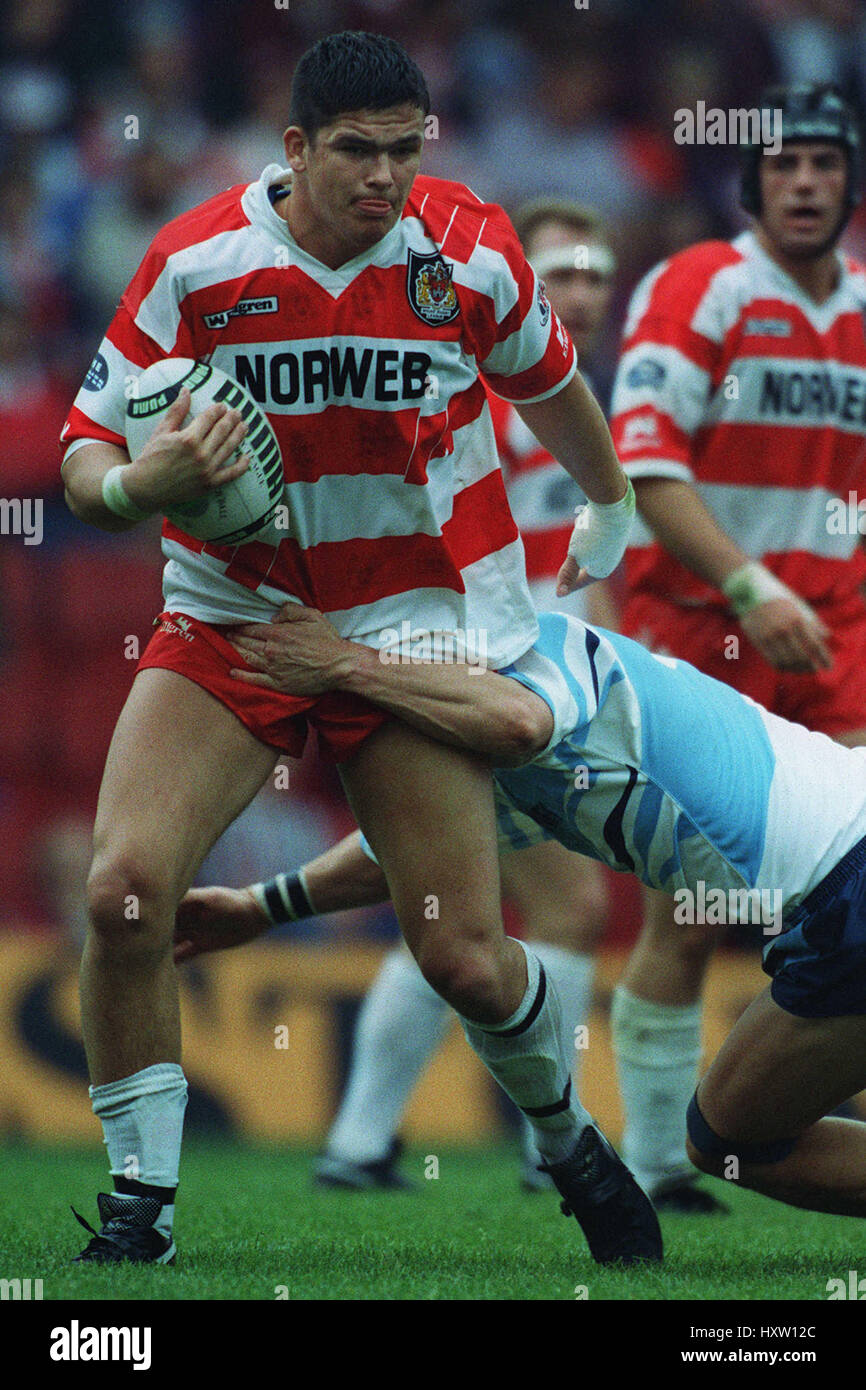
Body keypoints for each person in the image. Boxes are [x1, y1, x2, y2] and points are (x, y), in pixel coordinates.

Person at [59, 31, 643, 1265]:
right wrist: (137, 483)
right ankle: (138, 1212)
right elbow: (82, 457)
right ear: (293, 148)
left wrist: (611, 502)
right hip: (232, 616)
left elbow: (551, 382)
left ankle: (567, 1142)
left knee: (469, 963)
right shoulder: (195, 261)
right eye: (354, 152)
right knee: (119, 896)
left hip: (410, 623)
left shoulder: (468, 248)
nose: (383, 178)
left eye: (401, 149)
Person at [177, 599, 866, 1224]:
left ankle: (358, 1146)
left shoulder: (541, 648)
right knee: (729, 1135)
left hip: (850, 877)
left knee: (734, 1139)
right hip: (839, 902)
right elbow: (398, 855)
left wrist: (344, 666)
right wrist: (258, 907)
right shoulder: (510, 762)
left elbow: (519, 719)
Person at [310, 198, 619, 1193]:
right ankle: (545, 1151)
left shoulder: (565, 407)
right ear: (514, 282)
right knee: (558, 903)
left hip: (516, 674)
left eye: (593, 274)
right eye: (557, 272)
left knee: (454, 912)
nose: (576, 291)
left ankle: (358, 1145)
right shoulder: (474, 391)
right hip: (464, 666)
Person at [607, 82, 866, 1209]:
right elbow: (644, 466)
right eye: (782, 165)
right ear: (748, 182)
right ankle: (663, 1162)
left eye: (822, 163)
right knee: (692, 907)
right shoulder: (699, 286)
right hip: (710, 629)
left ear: (848, 180)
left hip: (837, 635)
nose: (803, 182)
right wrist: (745, 582)